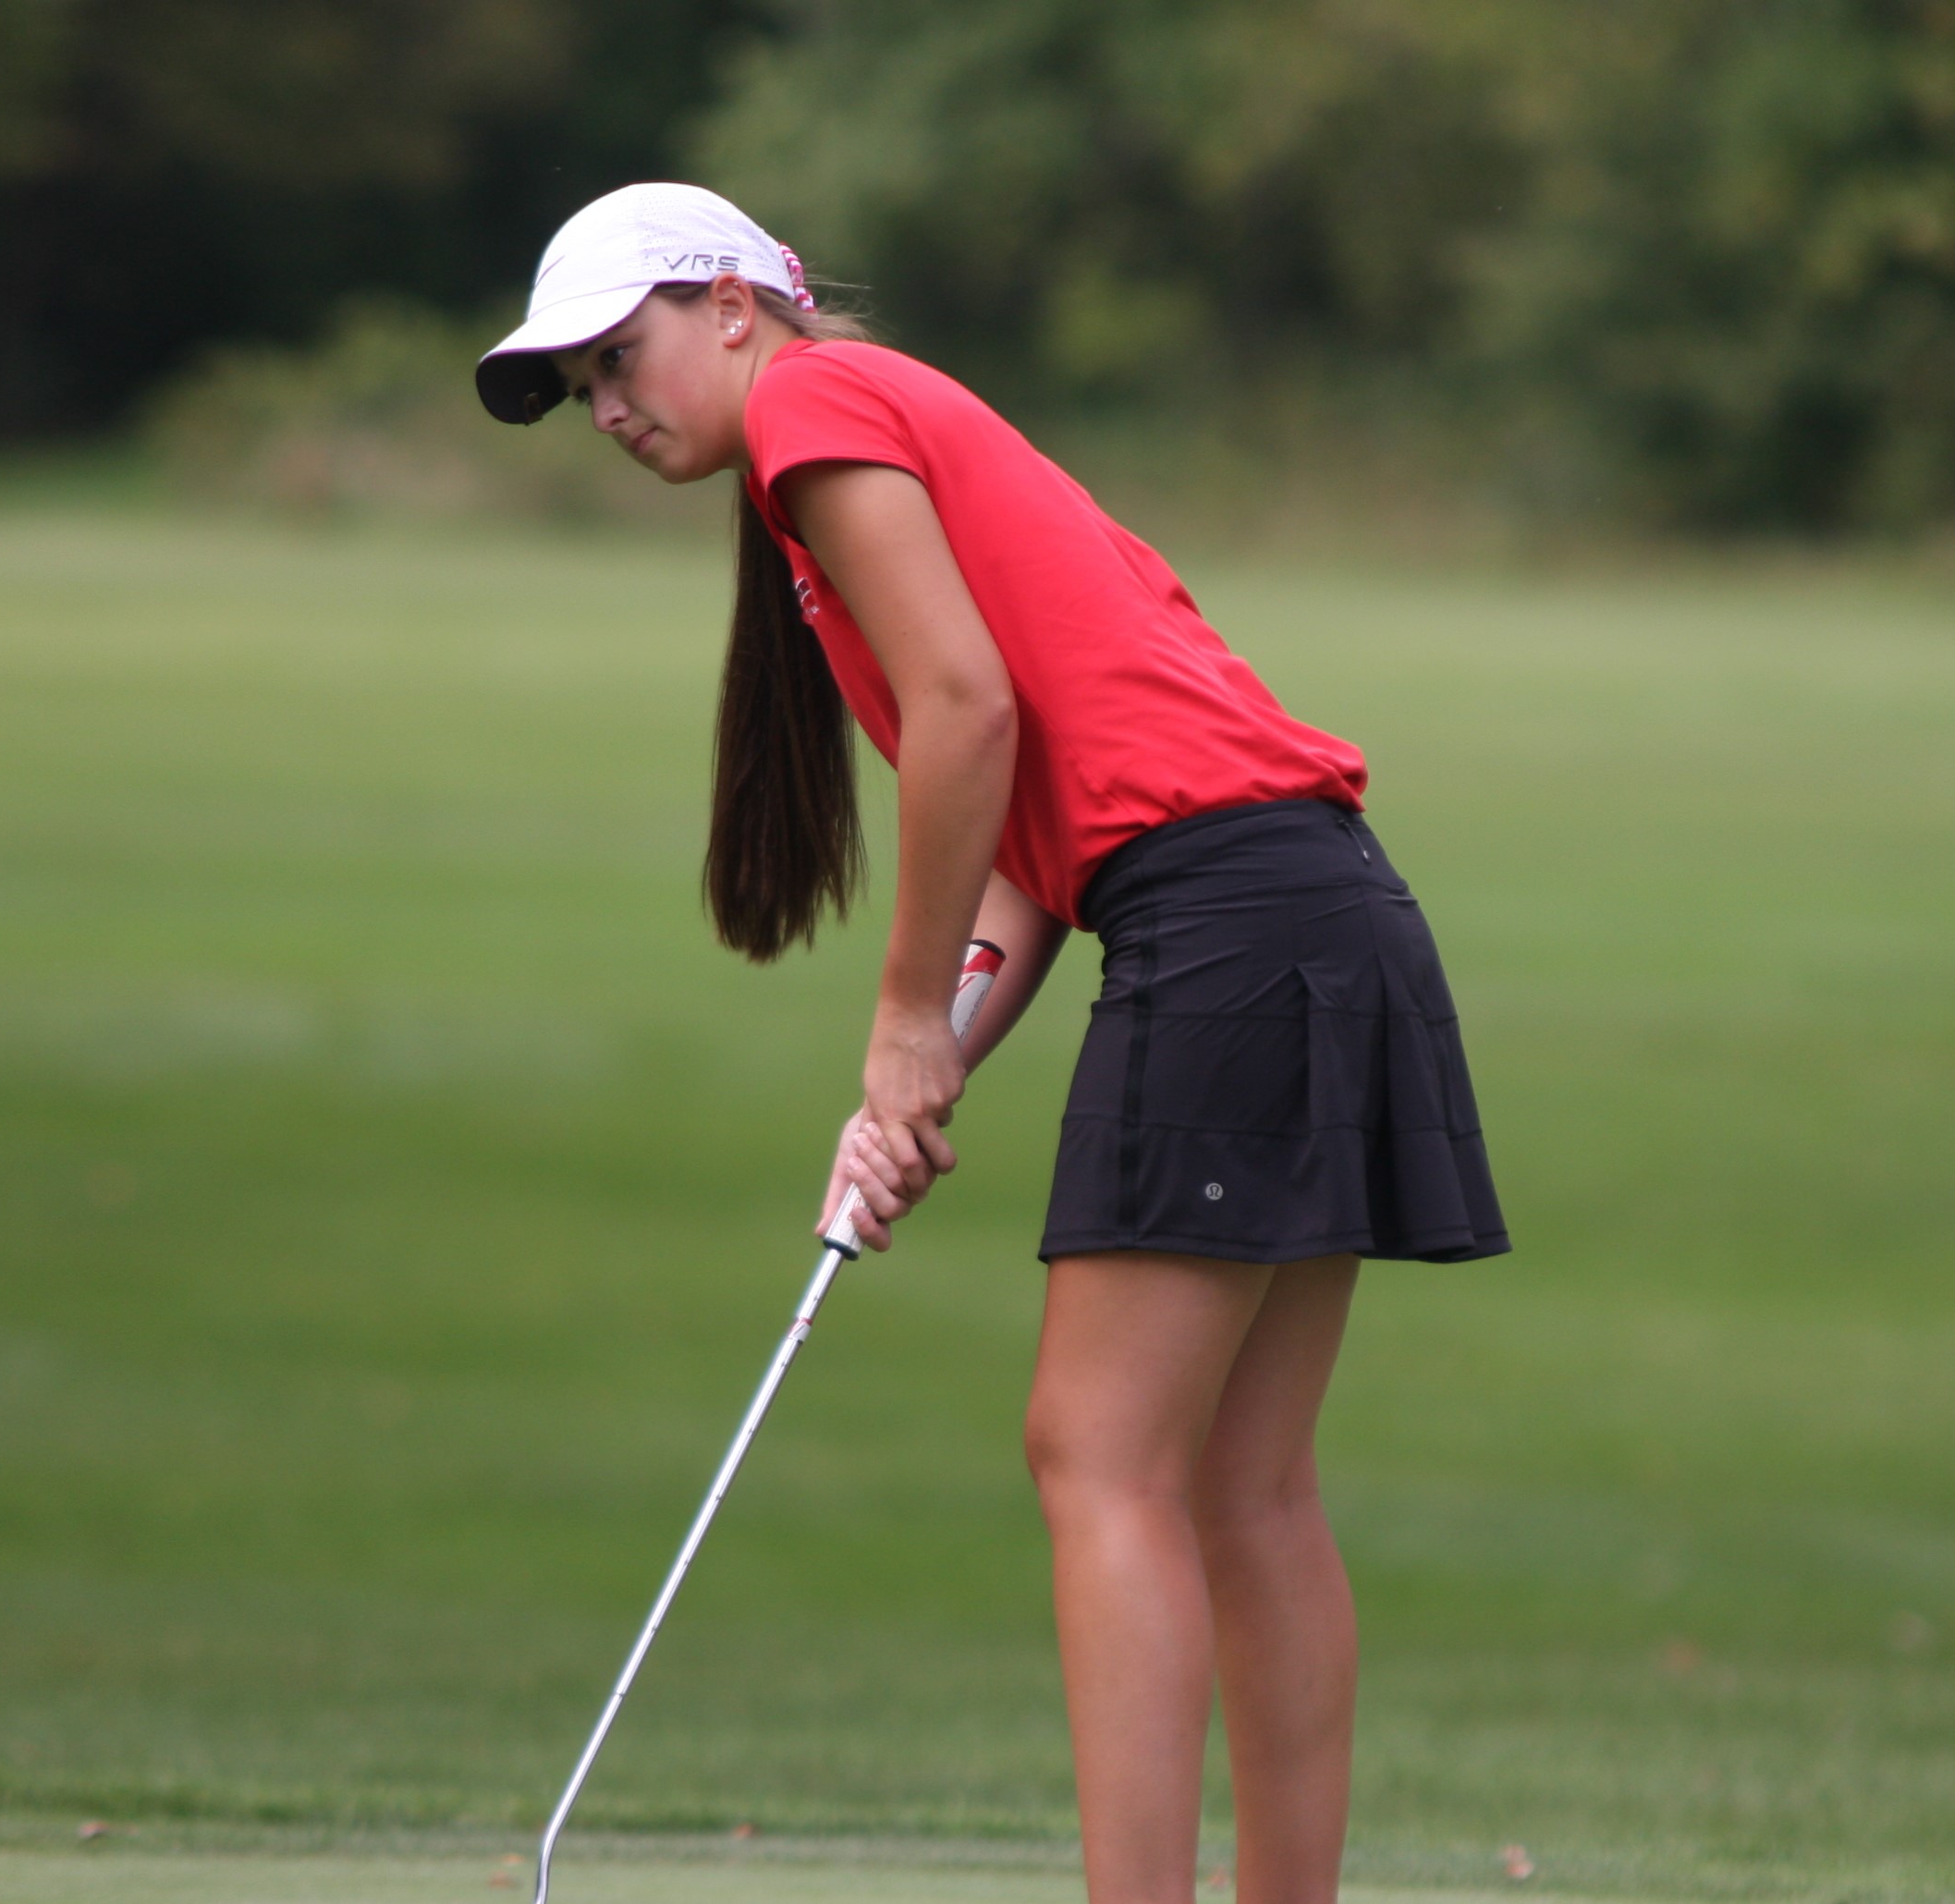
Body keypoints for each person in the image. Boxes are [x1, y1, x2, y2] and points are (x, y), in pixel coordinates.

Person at [475, 183, 1509, 1904]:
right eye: (578, 386)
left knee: (1096, 1455)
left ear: (733, 304)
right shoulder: (867, 446)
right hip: (1320, 909)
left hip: (1236, 922)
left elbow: (968, 708)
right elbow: (1039, 856)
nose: (605, 404)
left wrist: (895, 1027)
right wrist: (921, 1067)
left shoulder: (817, 398)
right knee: (1245, 1484)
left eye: (617, 353)